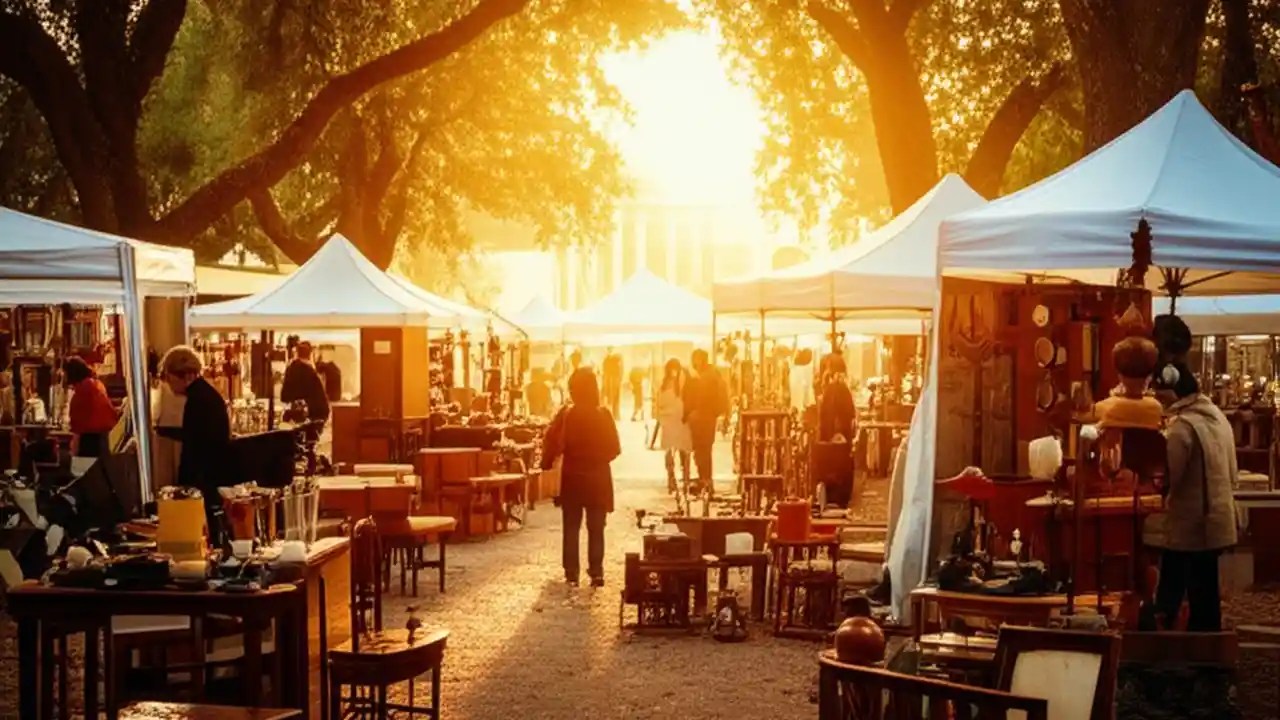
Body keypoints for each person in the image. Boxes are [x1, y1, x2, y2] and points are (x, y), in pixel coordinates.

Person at [1151, 348, 1237, 632]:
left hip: (1191, 522)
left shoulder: (1181, 428)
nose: (1159, 402)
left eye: (1161, 396)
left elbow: (1167, 477)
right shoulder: (1216, 416)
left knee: (1176, 579)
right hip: (1217, 515)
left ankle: (1169, 639)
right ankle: (1208, 648)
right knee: (1205, 588)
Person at [541, 368, 620, 587]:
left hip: (573, 478)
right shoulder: (603, 415)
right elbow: (615, 448)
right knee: (596, 527)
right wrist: (597, 457)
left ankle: (571, 572)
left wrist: (546, 464)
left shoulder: (567, 414)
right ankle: (596, 571)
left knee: (571, 527)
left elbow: (552, 441)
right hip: (598, 478)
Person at [161, 346, 231, 531]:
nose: (168, 384)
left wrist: (183, 488)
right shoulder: (205, 394)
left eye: (169, 378)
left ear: (183, 375)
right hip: (214, 474)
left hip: (204, 478)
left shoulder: (197, 400)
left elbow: (193, 448)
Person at [684, 349, 729, 496]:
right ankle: (705, 481)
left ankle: (705, 482)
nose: (693, 363)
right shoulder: (711, 374)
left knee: (702, 452)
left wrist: (692, 413)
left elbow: (701, 399)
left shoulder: (707, 376)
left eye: (694, 360)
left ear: (700, 360)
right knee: (703, 452)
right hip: (705, 418)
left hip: (703, 419)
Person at [64, 356, 118, 458]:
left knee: (83, 471)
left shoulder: (81, 391)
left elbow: (78, 427)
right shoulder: (98, 385)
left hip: (88, 442)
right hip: (104, 440)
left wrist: (73, 452)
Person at [656, 359, 692, 494]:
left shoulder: (682, 383)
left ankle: (685, 478)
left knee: (684, 451)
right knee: (671, 452)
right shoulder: (665, 385)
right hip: (671, 421)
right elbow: (659, 403)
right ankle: (672, 478)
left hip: (680, 421)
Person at [281, 342, 330, 425]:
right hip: (311, 415)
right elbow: (319, 398)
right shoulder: (310, 372)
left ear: (296, 353)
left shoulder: (291, 370)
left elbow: (284, 396)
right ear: (310, 354)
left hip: (295, 416)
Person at [818, 355, 856, 442]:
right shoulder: (843, 390)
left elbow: (829, 416)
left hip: (834, 438)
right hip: (842, 437)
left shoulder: (832, 390)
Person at [789, 348, 816, 414]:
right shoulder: (807, 368)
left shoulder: (794, 369)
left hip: (796, 395)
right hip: (801, 396)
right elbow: (807, 385)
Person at [602, 348, 623, 418]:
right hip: (611, 380)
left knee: (613, 398)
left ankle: (615, 414)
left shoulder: (615, 359)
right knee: (611, 398)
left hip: (613, 380)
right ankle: (614, 414)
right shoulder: (612, 359)